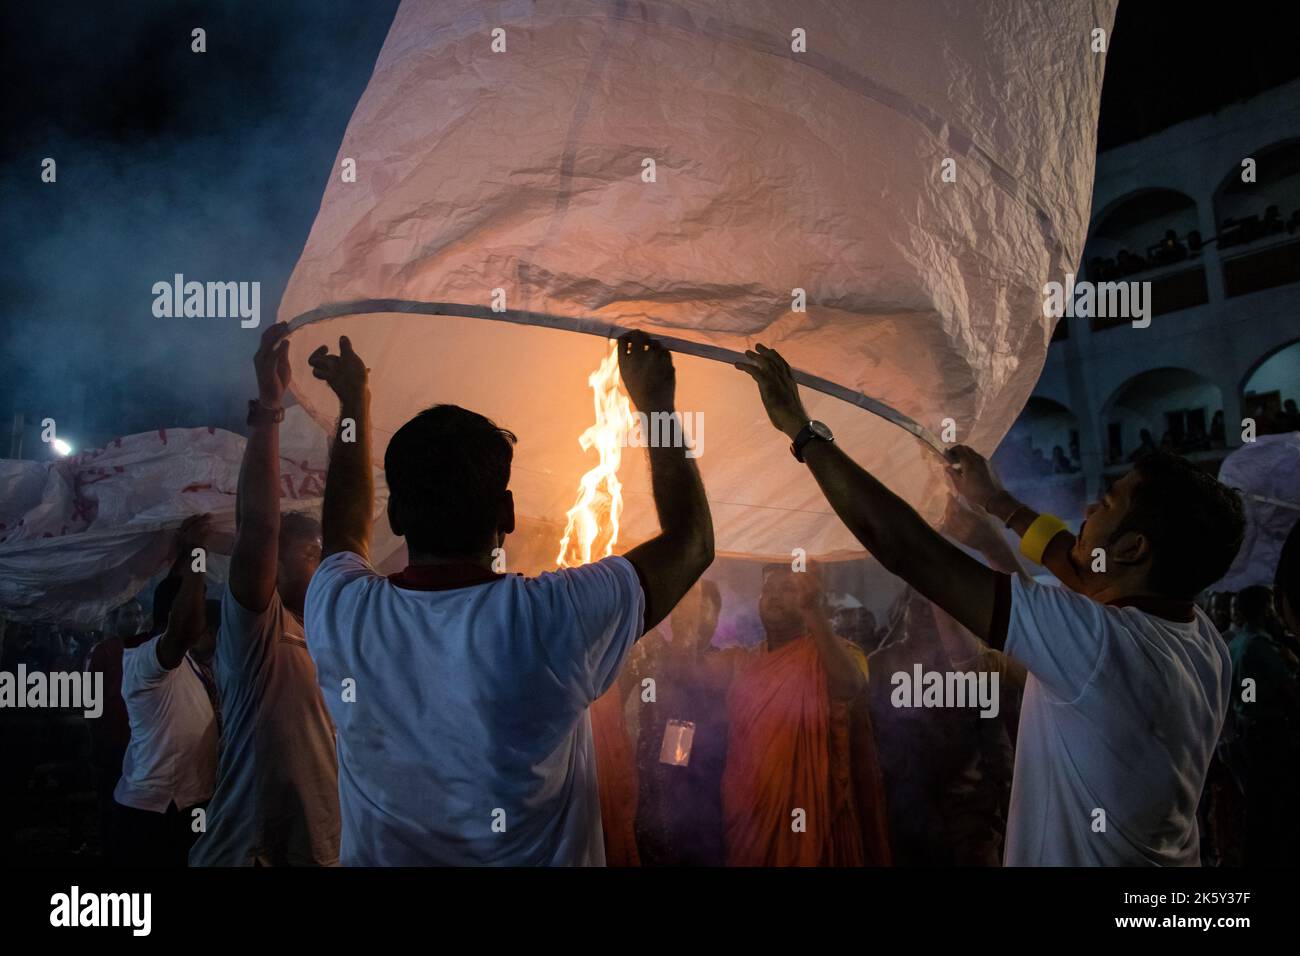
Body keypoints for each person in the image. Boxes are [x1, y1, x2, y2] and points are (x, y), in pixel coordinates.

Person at [737, 343, 1244, 865]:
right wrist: (995, 506)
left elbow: (906, 548)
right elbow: (1077, 568)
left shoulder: (1099, 644)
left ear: (1134, 549)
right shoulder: (1202, 641)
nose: (1091, 507)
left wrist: (802, 432)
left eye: (1108, 504)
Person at [303, 329, 713, 865]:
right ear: (507, 514)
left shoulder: (341, 614)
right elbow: (693, 541)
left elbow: (342, 528)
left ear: (397, 517)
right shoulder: (555, 617)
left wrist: (354, 401)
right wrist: (657, 404)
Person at [190, 323, 340, 867]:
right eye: (312, 553)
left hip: (321, 854)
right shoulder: (257, 629)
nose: (324, 562)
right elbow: (257, 526)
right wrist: (269, 409)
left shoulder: (326, 635)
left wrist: (352, 415)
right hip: (248, 855)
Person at [720, 563, 891, 866]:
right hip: (751, 812)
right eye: (768, 589)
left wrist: (814, 615)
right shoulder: (744, 662)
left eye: (788, 589)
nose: (775, 596)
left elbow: (851, 686)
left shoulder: (838, 653)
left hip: (811, 807)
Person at [111, 516, 220, 867]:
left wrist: (184, 552)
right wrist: (199, 553)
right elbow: (183, 621)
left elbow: (173, 600)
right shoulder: (144, 660)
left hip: (188, 802)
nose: (202, 614)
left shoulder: (187, 660)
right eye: (198, 604)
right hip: (153, 810)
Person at [629, 579, 735, 866]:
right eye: (681, 609)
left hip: (699, 790)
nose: (687, 616)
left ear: (716, 619)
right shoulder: (653, 652)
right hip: (648, 786)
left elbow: (685, 677)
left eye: (700, 610)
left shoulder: (721, 661)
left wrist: (685, 635)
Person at [83, 599, 147, 856]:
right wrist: (95, 738)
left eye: (138, 614)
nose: (134, 620)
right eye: (128, 615)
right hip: (110, 742)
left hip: (139, 741)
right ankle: (110, 849)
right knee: (109, 800)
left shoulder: (146, 648)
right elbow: (91, 700)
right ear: (114, 620)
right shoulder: (102, 652)